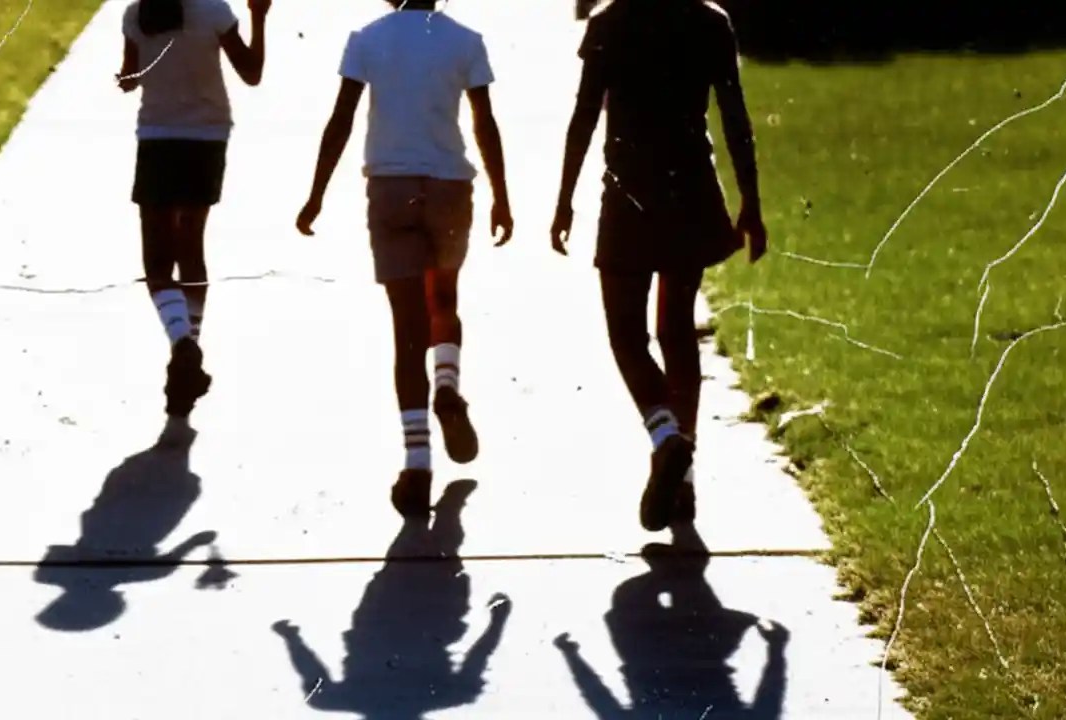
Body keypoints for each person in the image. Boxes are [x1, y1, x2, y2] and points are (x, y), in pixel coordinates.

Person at [551, 0, 768, 532]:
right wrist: (751, 203)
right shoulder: (710, 21)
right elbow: (735, 117)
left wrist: (563, 198)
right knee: (675, 332)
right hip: (691, 191)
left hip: (628, 196)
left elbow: (584, 114)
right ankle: (683, 476)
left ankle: (665, 436)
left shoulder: (609, 23)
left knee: (626, 336)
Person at [296, 0, 513, 518]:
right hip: (450, 187)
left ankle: (418, 463)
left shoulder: (367, 38)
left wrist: (316, 193)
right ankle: (448, 387)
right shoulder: (465, 39)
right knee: (444, 300)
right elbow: (485, 122)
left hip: (391, 188)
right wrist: (503, 195)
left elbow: (342, 119)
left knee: (405, 328)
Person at [116, 0, 269, 419]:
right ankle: (190, 348)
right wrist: (259, 15)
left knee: (158, 263)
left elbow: (131, 76)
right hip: (207, 136)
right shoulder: (214, 11)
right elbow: (252, 73)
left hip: (157, 136)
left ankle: (181, 343)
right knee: (192, 248)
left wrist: (127, 80)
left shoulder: (137, 14)